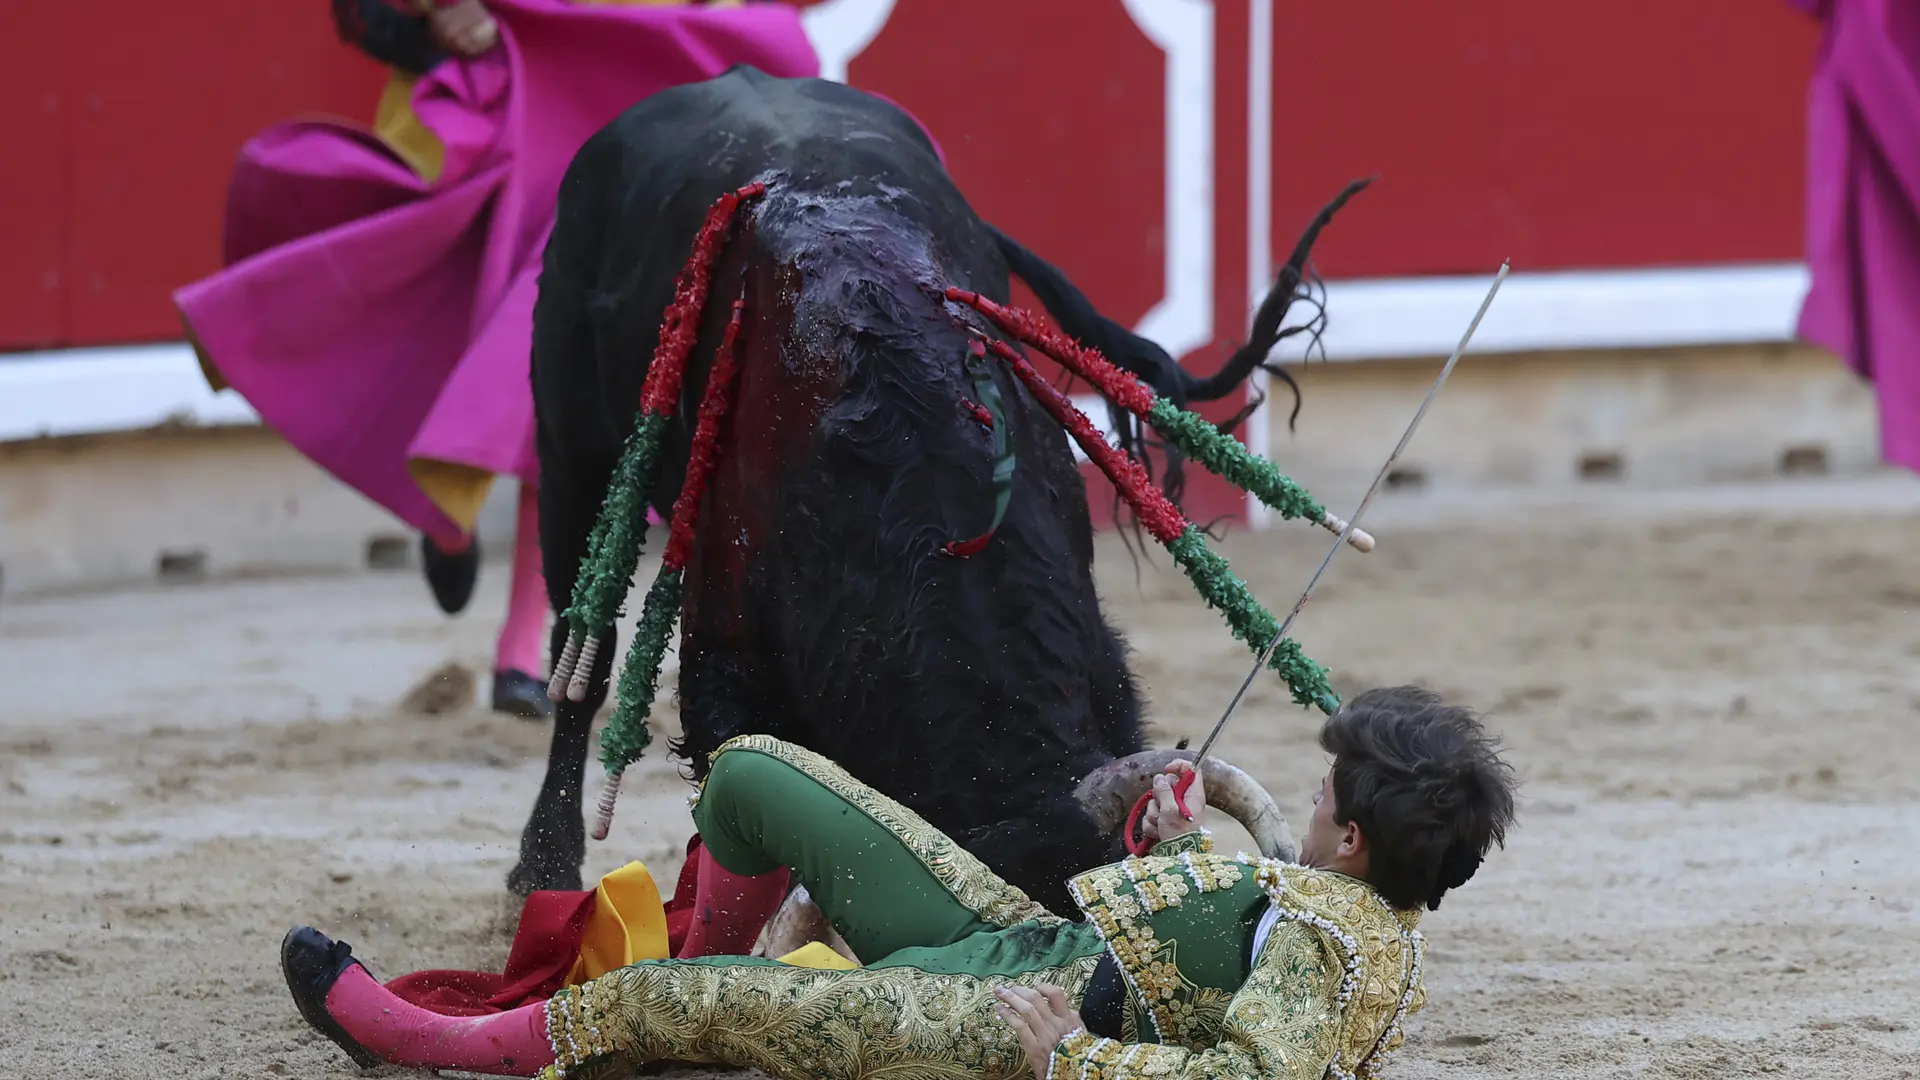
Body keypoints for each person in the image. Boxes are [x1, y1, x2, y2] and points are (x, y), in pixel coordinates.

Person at [281, 686, 1517, 1079]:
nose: (1308, 808)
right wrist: (1189, 830)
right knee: (757, 777)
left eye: (1319, 800)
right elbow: (1218, 938)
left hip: (1013, 1017)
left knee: (685, 1000)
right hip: (1034, 942)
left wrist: (1067, 1060)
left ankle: (423, 1044)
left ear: (1350, 841)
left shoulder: (1339, 949)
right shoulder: (1348, 910)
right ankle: (714, 998)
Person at [173, 0, 818, 717]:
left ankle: (517, 645)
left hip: (625, 75)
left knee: (553, 348)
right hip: (503, 92)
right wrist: (433, 13)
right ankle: (447, 492)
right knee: (456, 308)